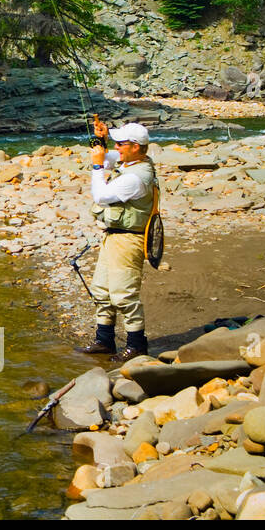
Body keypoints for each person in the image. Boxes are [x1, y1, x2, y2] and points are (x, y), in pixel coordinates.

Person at [75, 119, 156, 361]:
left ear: (136, 146)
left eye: (121, 143)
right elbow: (107, 156)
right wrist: (102, 139)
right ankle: (104, 341)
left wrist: (97, 167)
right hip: (113, 238)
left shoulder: (135, 178)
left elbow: (100, 195)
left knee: (124, 295)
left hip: (128, 241)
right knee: (101, 290)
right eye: (117, 142)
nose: (117, 147)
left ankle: (136, 346)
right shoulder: (133, 161)